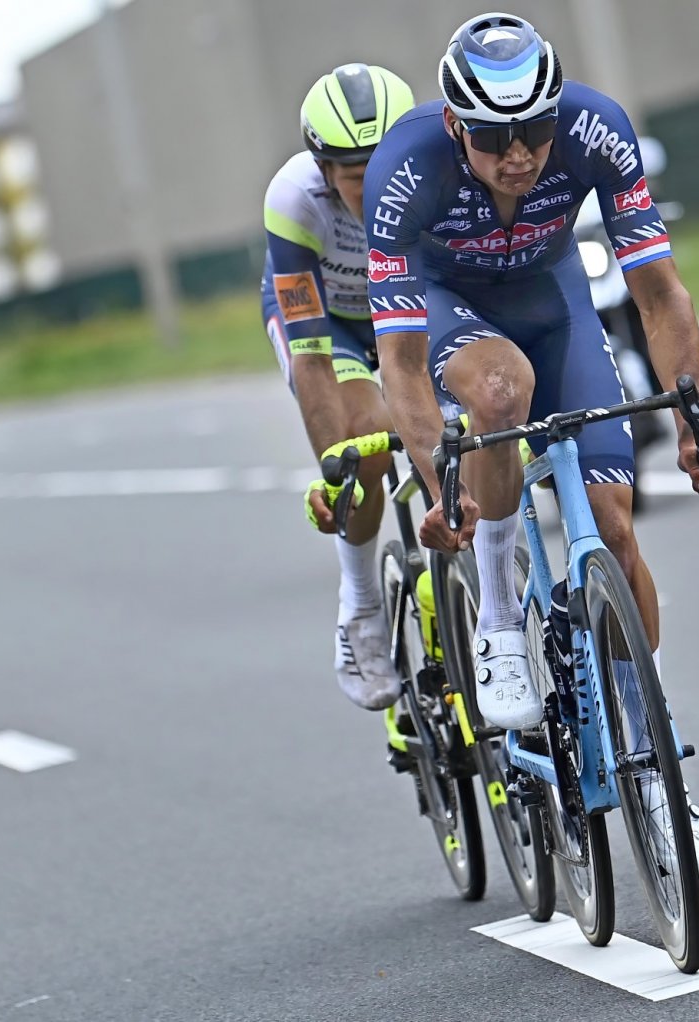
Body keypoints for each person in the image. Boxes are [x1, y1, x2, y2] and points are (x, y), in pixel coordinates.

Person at [360, 13, 699, 870]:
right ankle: (497, 611)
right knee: (502, 393)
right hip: (450, 305)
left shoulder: (596, 129)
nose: (520, 155)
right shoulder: (403, 170)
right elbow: (401, 364)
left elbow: (660, 297)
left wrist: (694, 422)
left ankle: (651, 757)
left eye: (535, 130)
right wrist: (440, 488)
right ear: (457, 126)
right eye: (495, 138)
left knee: (612, 523)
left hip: (552, 298)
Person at [261, 62, 415, 711]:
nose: (378, 186)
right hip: (333, 328)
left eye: (387, 164)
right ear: (324, 169)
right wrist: (335, 470)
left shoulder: (433, 163)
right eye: (358, 175)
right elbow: (313, 358)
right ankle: (361, 609)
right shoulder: (293, 199)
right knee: (370, 449)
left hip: (405, 307)